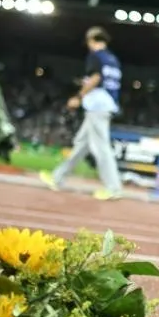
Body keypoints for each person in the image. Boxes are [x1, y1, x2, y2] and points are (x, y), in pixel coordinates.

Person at [40, 27, 123, 200]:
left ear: (93, 39)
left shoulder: (95, 56)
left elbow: (95, 78)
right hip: (105, 103)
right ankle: (58, 177)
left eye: (88, 41)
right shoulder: (112, 59)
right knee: (81, 144)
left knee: (101, 148)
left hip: (98, 106)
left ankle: (113, 188)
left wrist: (78, 96)